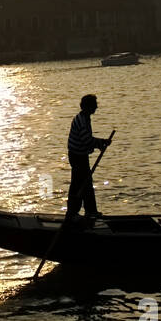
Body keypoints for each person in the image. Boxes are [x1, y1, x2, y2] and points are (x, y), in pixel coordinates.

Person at [66, 93, 113, 225]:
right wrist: (100, 143)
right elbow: (86, 140)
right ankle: (72, 213)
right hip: (77, 156)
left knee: (86, 183)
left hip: (81, 155)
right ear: (88, 106)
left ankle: (90, 211)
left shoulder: (85, 118)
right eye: (94, 105)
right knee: (78, 184)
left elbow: (87, 141)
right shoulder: (81, 120)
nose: (96, 107)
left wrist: (101, 143)